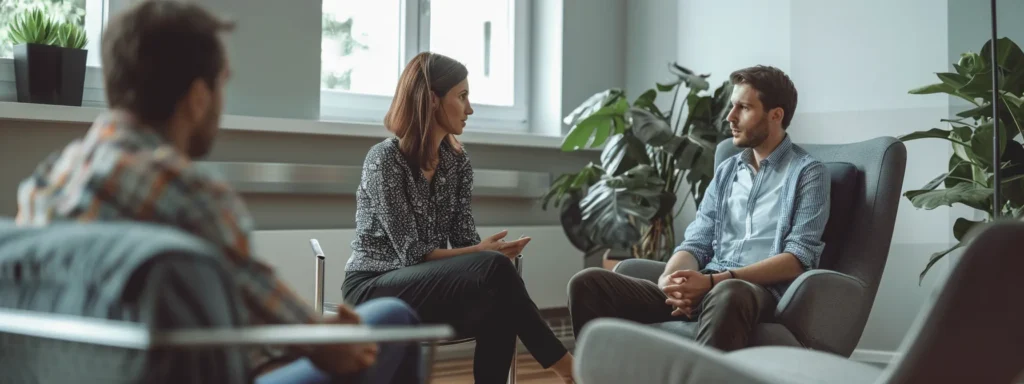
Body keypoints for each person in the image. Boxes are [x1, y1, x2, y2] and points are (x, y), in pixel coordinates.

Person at [15, 2, 422, 383]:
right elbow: (305, 334)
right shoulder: (185, 191)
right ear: (197, 97)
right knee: (394, 318)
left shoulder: (46, 183)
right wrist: (331, 336)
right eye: (221, 84)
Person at [342, 52, 577, 384]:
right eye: (463, 96)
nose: (470, 108)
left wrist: (485, 252)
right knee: (493, 269)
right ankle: (567, 368)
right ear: (433, 100)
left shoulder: (457, 162)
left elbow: (465, 240)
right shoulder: (385, 159)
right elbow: (412, 255)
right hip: (373, 288)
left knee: (499, 298)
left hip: (425, 286)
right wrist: (482, 255)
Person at [567, 65, 831, 352]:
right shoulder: (728, 170)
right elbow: (697, 241)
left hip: (753, 292)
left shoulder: (808, 173)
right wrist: (672, 281)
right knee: (588, 284)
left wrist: (714, 281)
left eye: (743, 107)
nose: (730, 117)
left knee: (730, 292)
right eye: (732, 106)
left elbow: (797, 258)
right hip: (708, 283)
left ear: (775, 115)